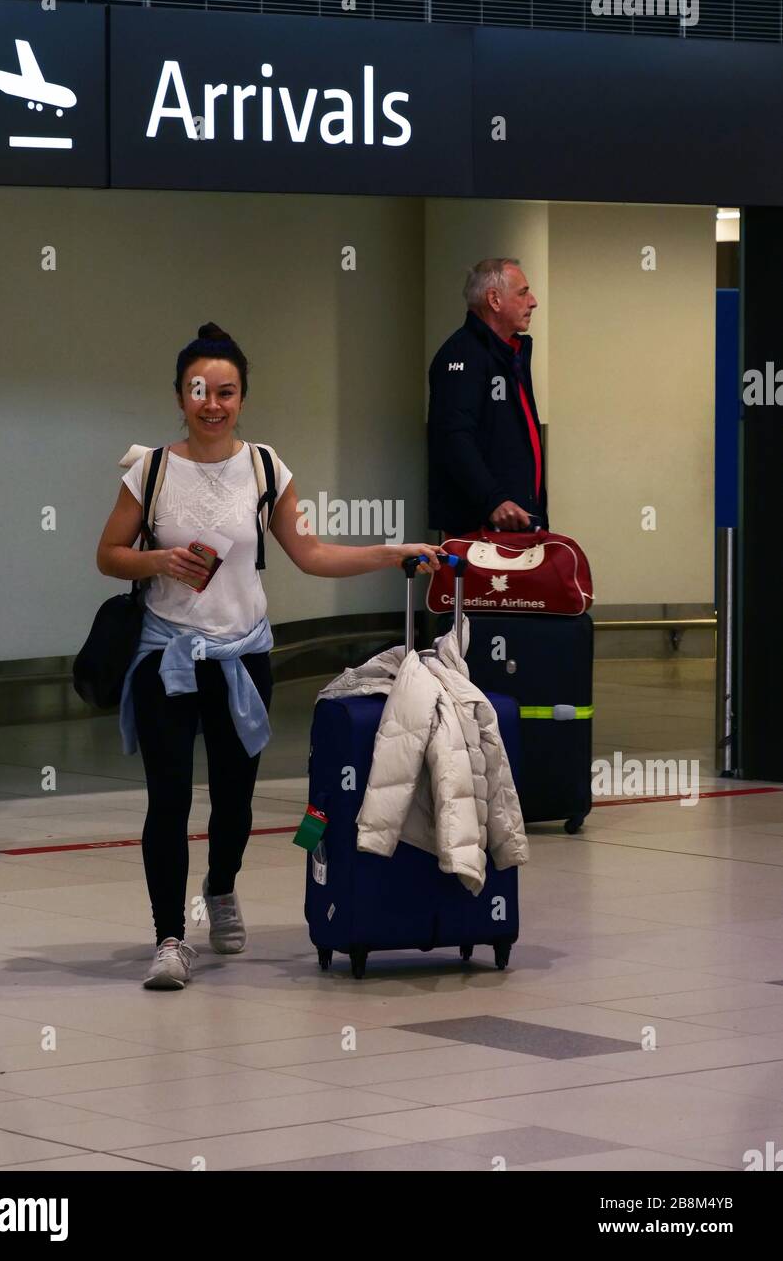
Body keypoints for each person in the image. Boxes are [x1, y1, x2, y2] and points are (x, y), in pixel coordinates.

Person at [96, 324, 442, 990]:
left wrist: (389, 553)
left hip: (242, 657)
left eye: (226, 392)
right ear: (180, 396)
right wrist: (159, 560)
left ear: (242, 398)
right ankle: (169, 937)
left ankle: (221, 885)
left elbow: (310, 553)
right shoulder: (151, 470)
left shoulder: (264, 467)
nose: (212, 404)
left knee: (234, 799)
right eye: (200, 390)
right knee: (168, 799)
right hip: (167, 656)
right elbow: (108, 555)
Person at [427, 257, 547, 537]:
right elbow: (453, 436)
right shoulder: (461, 354)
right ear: (494, 300)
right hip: (480, 529)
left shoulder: (511, 354)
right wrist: (493, 500)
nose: (533, 302)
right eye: (523, 293)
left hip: (516, 522)